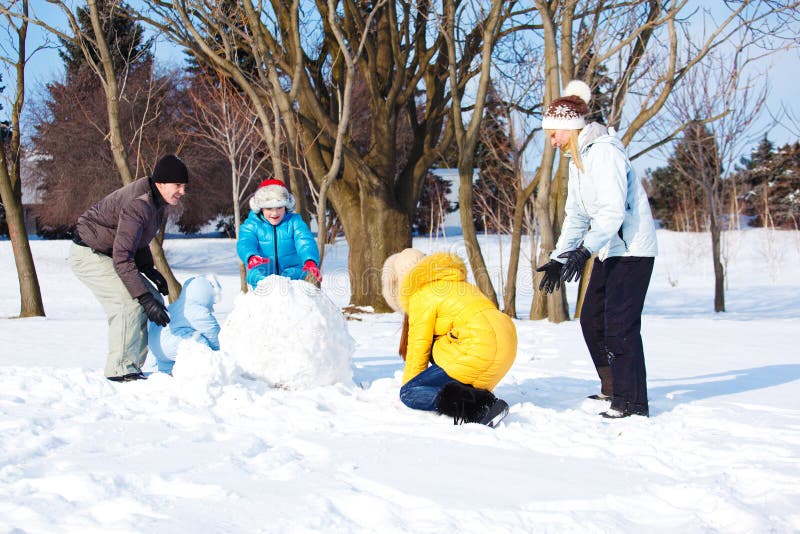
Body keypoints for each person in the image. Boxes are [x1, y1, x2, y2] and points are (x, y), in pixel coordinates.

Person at [536, 80, 658, 419]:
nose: (552, 140)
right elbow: (576, 215)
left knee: (620, 325)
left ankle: (633, 402)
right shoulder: (578, 160)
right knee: (591, 320)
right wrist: (560, 258)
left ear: (570, 127)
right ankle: (612, 387)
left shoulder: (605, 152)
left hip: (632, 249)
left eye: (554, 132)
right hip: (608, 249)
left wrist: (584, 251)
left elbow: (612, 211)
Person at [69, 155, 188, 382]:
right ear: (161, 183)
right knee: (130, 304)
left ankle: (135, 365)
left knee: (153, 299)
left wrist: (150, 271)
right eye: (178, 185)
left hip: (110, 254)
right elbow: (122, 257)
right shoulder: (140, 203)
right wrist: (143, 298)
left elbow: (137, 240)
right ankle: (120, 370)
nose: (182, 191)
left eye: (184, 186)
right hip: (88, 253)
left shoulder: (158, 203)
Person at [381, 248, 517, 427]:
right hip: (508, 346)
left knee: (409, 393)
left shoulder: (422, 296)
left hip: (476, 348)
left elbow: (418, 348)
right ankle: (478, 398)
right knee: (444, 343)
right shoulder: (460, 285)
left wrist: (412, 386)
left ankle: (480, 407)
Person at [236, 179, 321, 288]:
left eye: (279, 207)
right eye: (269, 208)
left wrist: (310, 259)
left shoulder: (294, 222)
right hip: (262, 268)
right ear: (260, 208)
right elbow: (245, 242)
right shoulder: (252, 225)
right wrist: (251, 256)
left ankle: (288, 294)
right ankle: (264, 293)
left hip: (292, 269)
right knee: (256, 276)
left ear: (286, 206)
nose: (274, 213)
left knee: (288, 280)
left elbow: (305, 241)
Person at [148, 275, 222, 374]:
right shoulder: (198, 311)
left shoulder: (176, 305)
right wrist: (219, 355)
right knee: (198, 341)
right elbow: (212, 333)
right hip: (169, 345)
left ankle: (167, 373)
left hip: (155, 347)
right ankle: (204, 372)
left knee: (182, 334)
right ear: (206, 294)